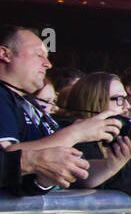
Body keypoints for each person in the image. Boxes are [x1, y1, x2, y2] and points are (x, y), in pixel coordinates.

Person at [0, 26, 120, 194]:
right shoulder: (2, 95)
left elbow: (25, 180)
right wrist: (76, 133)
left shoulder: (27, 102)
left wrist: (113, 163)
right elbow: (7, 159)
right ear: (5, 54)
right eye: (38, 55)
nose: (47, 64)